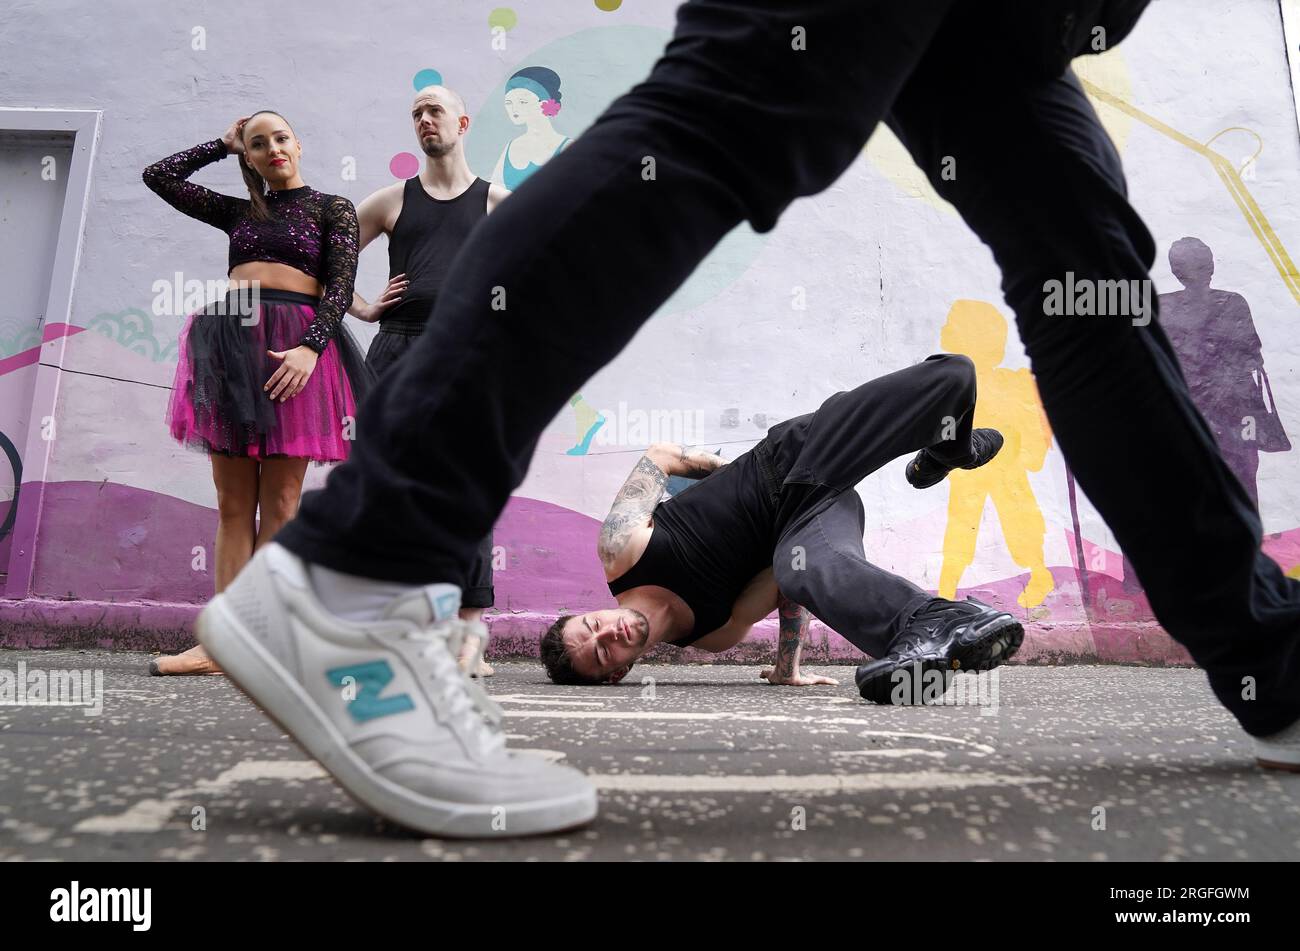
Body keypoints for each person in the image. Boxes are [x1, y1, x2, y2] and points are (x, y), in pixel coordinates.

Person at [198, 0, 1300, 841]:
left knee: (1085, 269)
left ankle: (1268, 661)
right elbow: (778, 555)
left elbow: (740, 524)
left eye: (592, 642)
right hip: (804, 469)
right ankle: (362, 572)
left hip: (1003, 33)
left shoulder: (645, 562)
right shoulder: (652, 570)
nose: (610, 637)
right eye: (602, 652)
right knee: (736, 109)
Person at [539, 354, 1019, 704]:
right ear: (617, 674)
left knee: (950, 378)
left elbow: (662, 457)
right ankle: (934, 626)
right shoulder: (714, 635)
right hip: (815, 515)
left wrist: (737, 471)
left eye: (593, 625)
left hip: (794, 456)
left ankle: (950, 451)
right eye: (603, 653)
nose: (609, 633)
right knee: (800, 568)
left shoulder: (622, 550)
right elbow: (785, 587)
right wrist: (787, 669)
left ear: (592, 612)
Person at [144, 111, 372, 676]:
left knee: (283, 500)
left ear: (299, 143)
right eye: (257, 143)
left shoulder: (331, 207)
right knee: (232, 502)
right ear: (247, 155)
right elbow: (159, 176)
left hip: (296, 350)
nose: (272, 148)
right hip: (230, 347)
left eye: (280, 138)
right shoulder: (239, 211)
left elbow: (340, 284)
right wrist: (220, 145)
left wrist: (311, 349)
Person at [340, 85, 511, 676]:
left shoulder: (496, 202)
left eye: (434, 110)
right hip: (395, 355)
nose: (424, 120)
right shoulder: (390, 202)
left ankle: (468, 638)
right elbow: (325, 259)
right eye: (415, 113)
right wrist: (360, 307)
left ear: (461, 122)